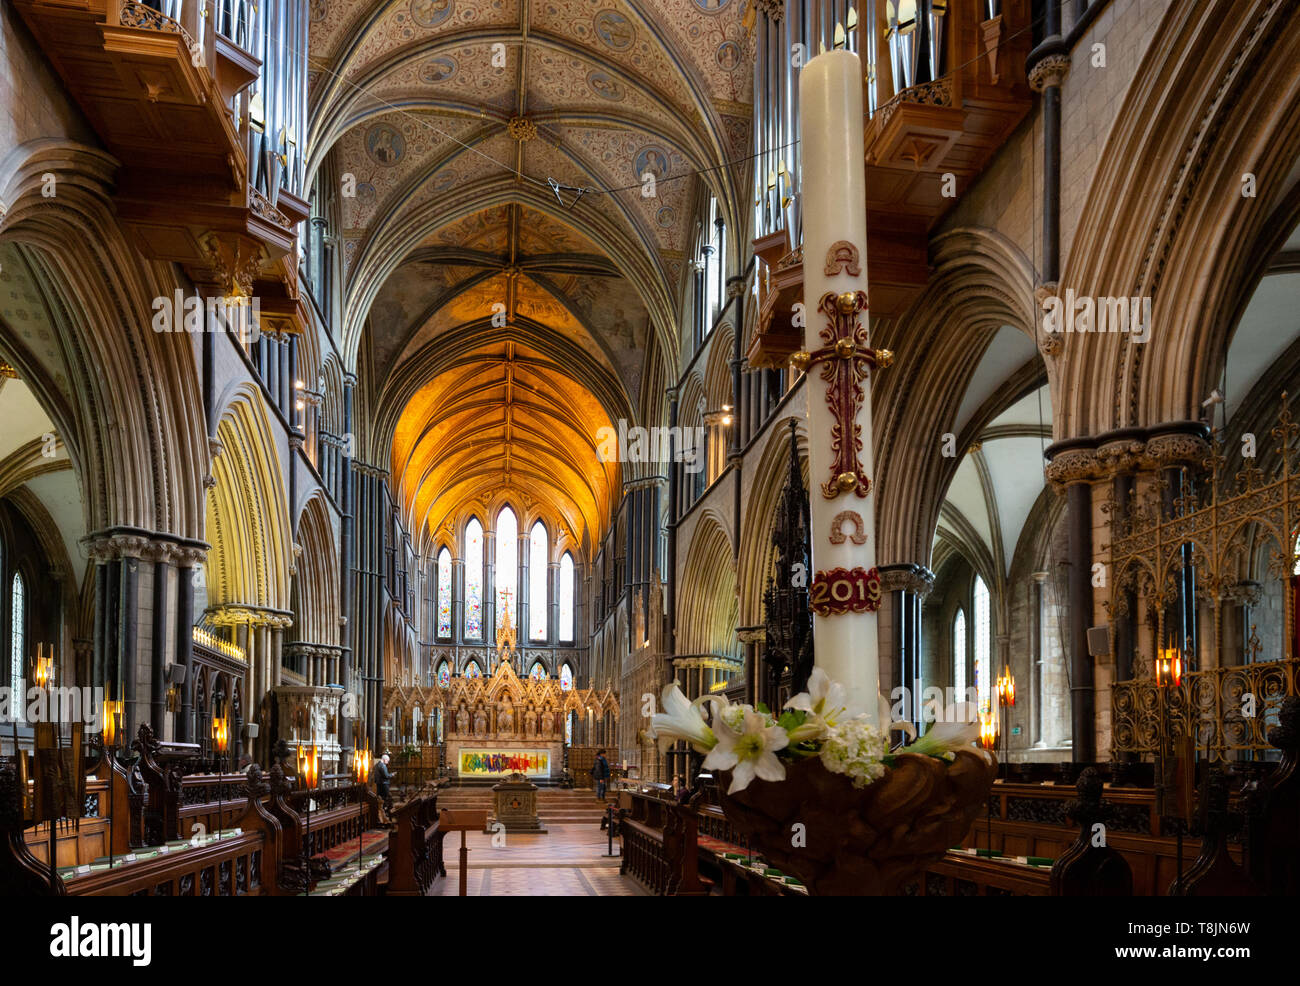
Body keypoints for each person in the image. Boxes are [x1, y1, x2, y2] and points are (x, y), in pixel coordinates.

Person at [374, 752, 393, 819]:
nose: (387, 762)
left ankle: (383, 815)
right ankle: (386, 815)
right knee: (386, 799)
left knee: (381, 800)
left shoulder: (376, 765)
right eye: (387, 761)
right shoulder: (382, 766)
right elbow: (386, 776)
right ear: (385, 759)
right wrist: (392, 774)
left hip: (379, 784)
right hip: (384, 785)